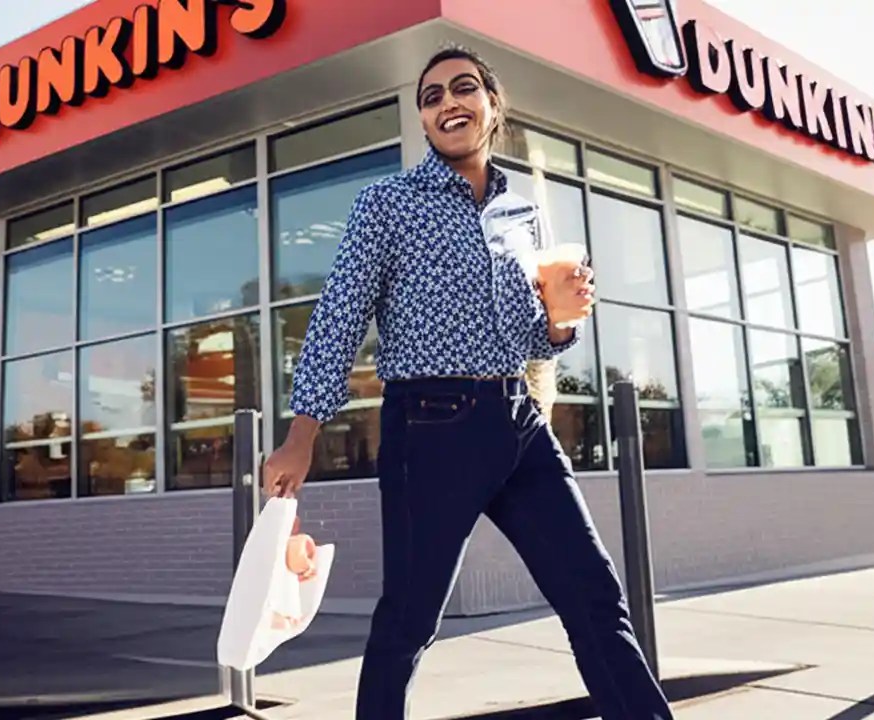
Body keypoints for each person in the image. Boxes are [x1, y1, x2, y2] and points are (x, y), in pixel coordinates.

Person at [262, 45, 673, 720]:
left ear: (491, 106)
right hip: (431, 427)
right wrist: (301, 434)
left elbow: (532, 338)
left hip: (519, 420)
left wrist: (563, 325)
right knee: (409, 622)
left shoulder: (521, 215)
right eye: (432, 97)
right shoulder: (387, 204)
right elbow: (338, 316)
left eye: (463, 89)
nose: (448, 102)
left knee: (595, 596)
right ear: (424, 122)